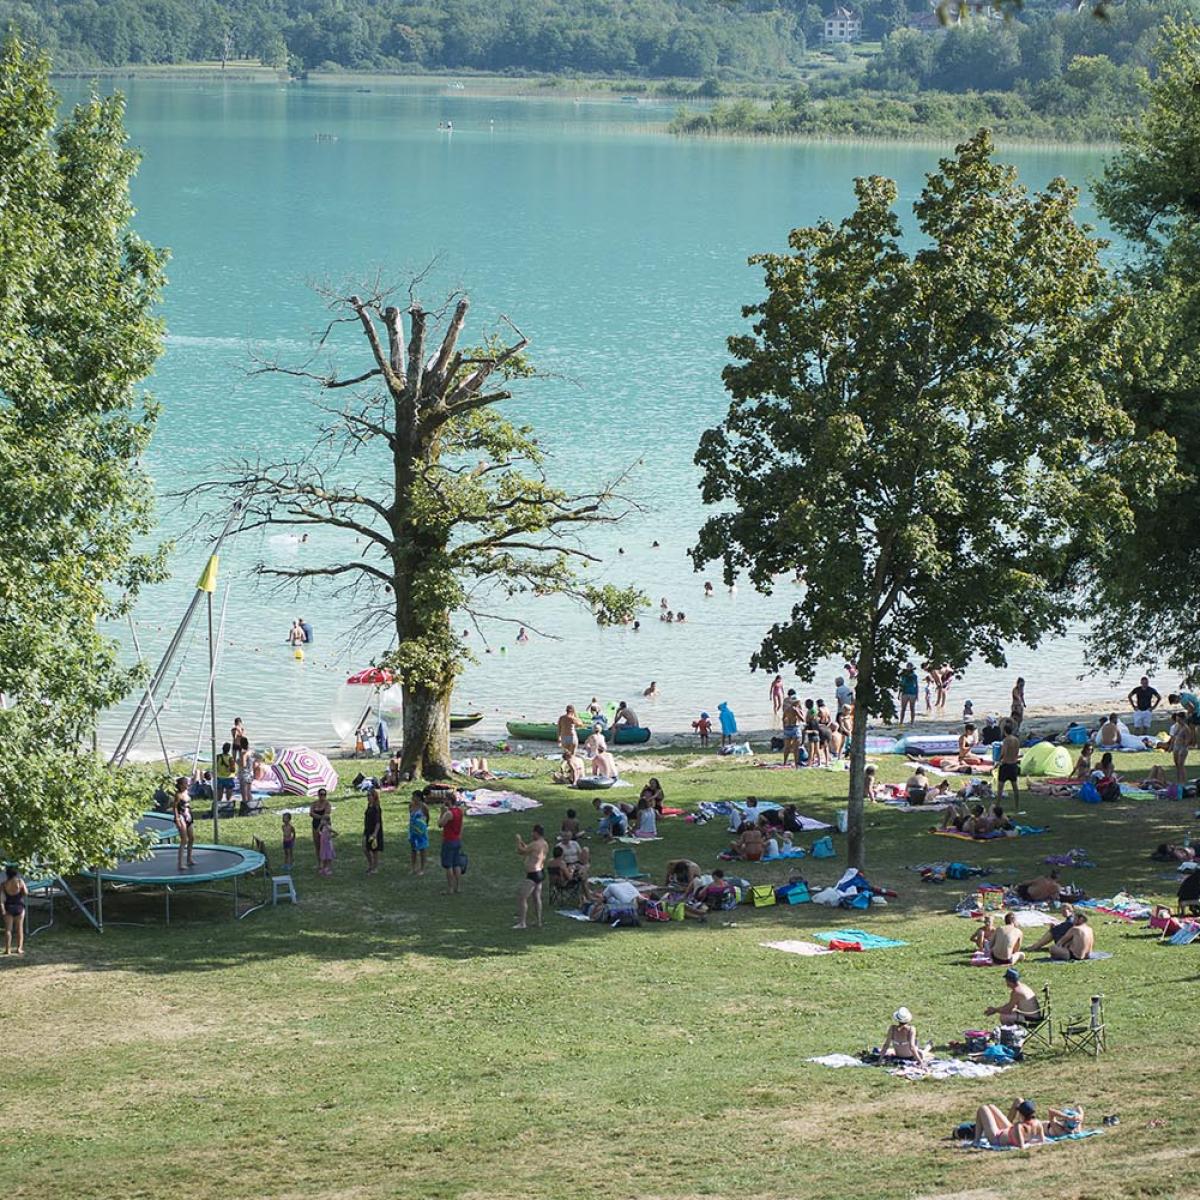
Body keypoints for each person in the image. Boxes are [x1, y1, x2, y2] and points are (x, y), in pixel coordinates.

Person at [514, 825, 548, 929]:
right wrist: (523, 843)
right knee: (536, 897)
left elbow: (521, 851)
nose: (532, 834)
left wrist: (518, 840)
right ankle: (539, 921)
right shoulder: (544, 844)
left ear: (536, 833)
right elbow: (528, 849)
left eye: (533, 833)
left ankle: (522, 923)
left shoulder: (535, 844)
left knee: (522, 897)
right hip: (540, 872)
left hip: (533, 874)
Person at [974, 1099, 1045, 1150]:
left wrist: (1027, 1143)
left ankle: (976, 1141)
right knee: (991, 1106)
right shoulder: (1038, 1123)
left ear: (1021, 1115)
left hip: (996, 1138)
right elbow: (1042, 1140)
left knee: (983, 1108)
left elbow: (1021, 1146)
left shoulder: (1019, 1126)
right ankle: (977, 1139)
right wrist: (1030, 1142)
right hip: (1009, 1131)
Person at [438, 793, 466, 894]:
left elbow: (440, 824)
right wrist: (459, 836)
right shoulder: (459, 811)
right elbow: (461, 825)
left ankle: (450, 888)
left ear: (449, 800)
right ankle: (458, 887)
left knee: (448, 865)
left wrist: (442, 813)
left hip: (448, 840)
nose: (444, 801)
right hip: (457, 840)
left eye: (445, 799)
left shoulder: (449, 813)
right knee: (456, 864)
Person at [3, 865, 28, 956]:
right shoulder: (20, 881)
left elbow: (1, 898)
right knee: (19, 929)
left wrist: (2, 909)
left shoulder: (3, 884)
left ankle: (7, 949)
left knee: (8, 930)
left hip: (8, 907)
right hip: (19, 906)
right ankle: (19, 948)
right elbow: (26, 893)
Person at [996, 720, 1021, 808]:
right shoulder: (1016, 740)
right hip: (1013, 765)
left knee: (1000, 788)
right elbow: (1017, 752)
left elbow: (1003, 753)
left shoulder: (1006, 740)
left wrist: (998, 761)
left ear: (1005, 731)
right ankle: (1016, 805)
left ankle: (998, 804)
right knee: (1015, 787)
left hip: (1006, 765)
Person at [173, 776, 195, 870]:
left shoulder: (186, 792)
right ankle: (180, 863)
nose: (187, 785)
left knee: (192, 838)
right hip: (181, 817)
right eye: (185, 784)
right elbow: (174, 807)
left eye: (187, 783)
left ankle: (189, 859)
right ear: (180, 785)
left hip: (188, 816)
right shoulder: (178, 795)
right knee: (184, 840)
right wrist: (177, 819)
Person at [1170, 709, 1193, 788]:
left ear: (1183, 719)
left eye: (1179, 719)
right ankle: (1179, 780)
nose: (1178, 720)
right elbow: (1174, 736)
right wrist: (1171, 746)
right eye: (1177, 719)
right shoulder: (1177, 726)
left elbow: (1188, 739)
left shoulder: (1186, 728)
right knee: (1177, 765)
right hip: (1176, 747)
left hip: (1182, 747)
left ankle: (1183, 781)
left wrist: (1184, 747)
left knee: (1181, 765)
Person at [408, 791, 430, 875]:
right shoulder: (411, 805)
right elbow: (411, 815)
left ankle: (422, 868)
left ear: (419, 797)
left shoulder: (423, 807)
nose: (413, 798)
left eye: (414, 796)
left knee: (422, 849)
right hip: (413, 830)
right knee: (413, 849)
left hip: (421, 831)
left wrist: (425, 825)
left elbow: (427, 817)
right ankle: (413, 867)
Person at [363, 787, 383, 875]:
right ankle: (370, 864)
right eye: (367, 795)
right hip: (367, 829)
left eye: (369, 795)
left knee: (374, 850)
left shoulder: (376, 808)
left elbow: (378, 822)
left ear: (374, 796)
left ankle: (375, 867)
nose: (368, 797)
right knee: (365, 848)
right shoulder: (369, 806)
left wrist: (375, 833)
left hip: (375, 830)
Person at [310, 787, 332, 862]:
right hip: (315, 825)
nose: (323, 796)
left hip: (324, 826)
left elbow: (327, 814)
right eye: (321, 794)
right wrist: (320, 817)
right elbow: (311, 813)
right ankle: (319, 862)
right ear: (318, 795)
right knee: (317, 844)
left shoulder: (327, 804)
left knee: (325, 844)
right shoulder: (314, 803)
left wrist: (318, 816)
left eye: (324, 794)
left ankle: (325, 861)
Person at [781, 691, 803, 767]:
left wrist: (784, 727)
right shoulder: (795, 709)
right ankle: (796, 764)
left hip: (787, 728)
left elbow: (783, 718)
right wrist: (799, 711)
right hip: (795, 728)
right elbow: (802, 719)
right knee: (795, 748)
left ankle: (784, 762)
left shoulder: (787, 709)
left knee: (787, 747)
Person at [215, 742, 236, 808]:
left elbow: (215, 767)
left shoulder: (217, 757)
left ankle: (218, 808)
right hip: (229, 778)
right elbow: (233, 770)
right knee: (228, 796)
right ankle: (228, 807)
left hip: (219, 777)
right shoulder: (230, 758)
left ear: (222, 748)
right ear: (229, 750)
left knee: (219, 796)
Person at [236, 735, 254, 814]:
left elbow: (243, 765)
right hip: (250, 773)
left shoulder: (243, 754)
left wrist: (237, 761)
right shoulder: (250, 752)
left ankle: (245, 809)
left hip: (244, 774)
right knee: (249, 792)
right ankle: (252, 807)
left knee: (244, 793)